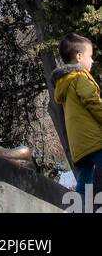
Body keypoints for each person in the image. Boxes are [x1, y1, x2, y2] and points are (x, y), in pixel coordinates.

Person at [53, 34, 102, 212]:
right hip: (94, 141)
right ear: (79, 57)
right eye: (90, 56)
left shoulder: (64, 84)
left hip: (79, 146)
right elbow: (92, 102)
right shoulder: (80, 77)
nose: (93, 61)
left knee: (84, 185)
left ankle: (76, 210)